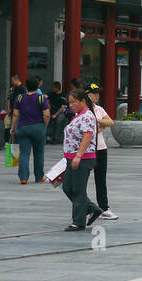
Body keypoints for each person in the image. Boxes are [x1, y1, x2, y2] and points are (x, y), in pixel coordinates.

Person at [58, 89, 103, 230]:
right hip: (71, 157)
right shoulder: (79, 115)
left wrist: (78, 156)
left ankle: (78, 221)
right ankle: (91, 208)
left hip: (82, 158)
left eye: (73, 102)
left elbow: (87, 136)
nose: (71, 105)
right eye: (69, 102)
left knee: (78, 189)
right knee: (67, 186)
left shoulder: (88, 116)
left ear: (83, 101)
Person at [85, 84, 118, 219]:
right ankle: (86, 208)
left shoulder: (99, 109)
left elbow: (110, 122)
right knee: (82, 180)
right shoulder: (82, 110)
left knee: (101, 179)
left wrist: (97, 121)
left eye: (98, 93)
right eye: (94, 93)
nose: (97, 96)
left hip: (100, 147)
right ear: (87, 94)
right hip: (86, 149)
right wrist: (100, 124)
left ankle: (104, 207)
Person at [9, 75, 50, 185]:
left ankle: (23, 178)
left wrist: (13, 127)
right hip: (38, 127)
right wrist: (44, 126)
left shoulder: (20, 98)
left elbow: (15, 114)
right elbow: (46, 115)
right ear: (37, 87)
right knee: (39, 153)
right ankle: (39, 177)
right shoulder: (41, 98)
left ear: (26, 86)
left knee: (24, 153)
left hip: (23, 128)